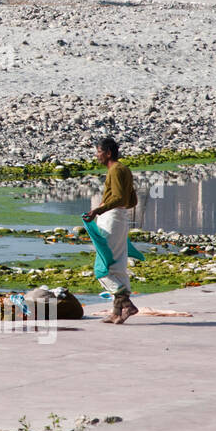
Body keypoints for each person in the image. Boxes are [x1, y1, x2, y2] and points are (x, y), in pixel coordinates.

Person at [83, 137, 138, 325]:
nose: (96, 155)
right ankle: (116, 313)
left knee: (103, 268)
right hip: (122, 219)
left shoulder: (114, 170)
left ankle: (126, 303)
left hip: (111, 219)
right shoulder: (124, 169)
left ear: (108, 153)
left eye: (99, 151)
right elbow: (131, 201)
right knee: (117, 264)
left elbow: (118, 197)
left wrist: (98, 210)